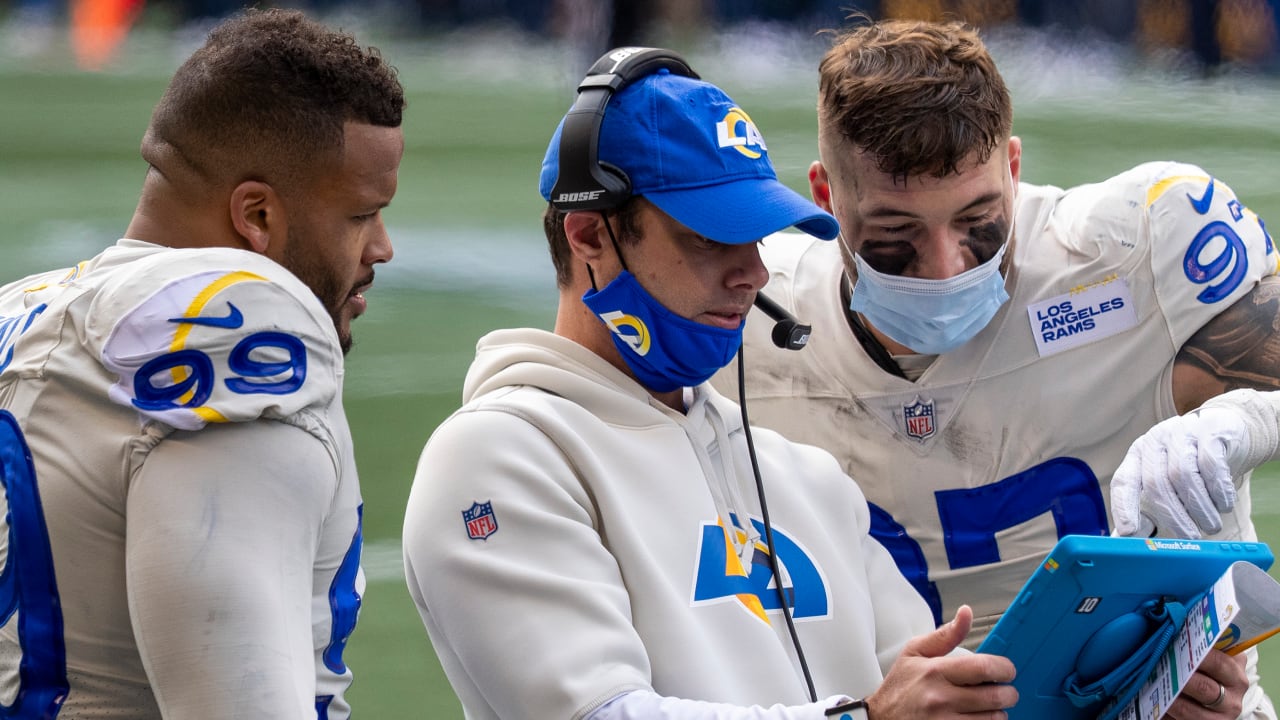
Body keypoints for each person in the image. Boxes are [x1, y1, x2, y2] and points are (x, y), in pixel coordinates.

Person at [402, 49, 1018, 720]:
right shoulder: (499, 455)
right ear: (589, 235)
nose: (752, 274)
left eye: (755, 239)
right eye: (709, 239)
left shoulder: (808, 480)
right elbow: (598, 715)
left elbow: (923, 690)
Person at [711, 17, 1279, 720]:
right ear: (826, 198)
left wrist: (1240, 421)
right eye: (896, 235)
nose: (947, 266)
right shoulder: (748, 318)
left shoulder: (1129, 251)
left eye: (979, 219)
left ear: (1012, 169)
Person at [0, 8, 404, 718]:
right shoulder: (236, 321)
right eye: (359, 215)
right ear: (257, 216)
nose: (381, 248)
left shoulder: (17, 311)